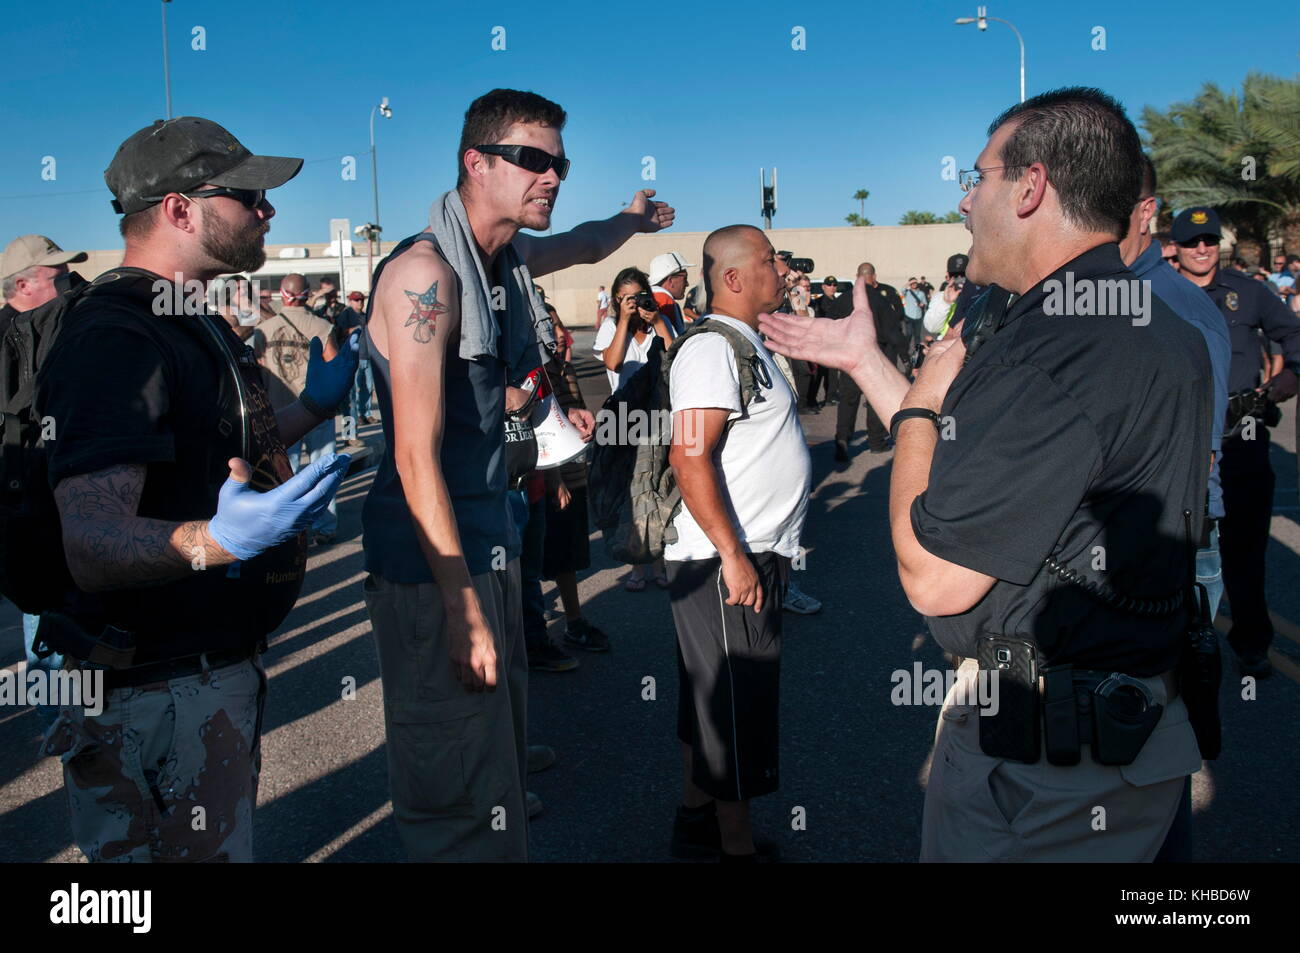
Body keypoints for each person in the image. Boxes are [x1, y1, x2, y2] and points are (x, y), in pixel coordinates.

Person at [761, 87, 1212, 862]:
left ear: (1032, 186)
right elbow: (987, 476)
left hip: (1050, 773)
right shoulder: (1111, 317)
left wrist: (916, 412)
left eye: (979, 177)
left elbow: (935, 578)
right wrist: (870, 363)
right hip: (1078, 735)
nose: (967, 200)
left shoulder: (1066, 345)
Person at [360, 87, 671, 862]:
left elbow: (586, 242)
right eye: (532, 159)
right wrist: (462, 601)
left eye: (559, 162)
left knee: (493, 751)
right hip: (434, 568)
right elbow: (412, 455)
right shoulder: (425, 276)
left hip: (491, 538)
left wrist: (633, 221)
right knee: (452, 796)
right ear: (476, 162)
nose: (552, 175)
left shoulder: (506, 259)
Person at [36, 116, 355, 862]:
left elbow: (212, 448)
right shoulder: (117, 336)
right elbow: (89, 538)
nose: (268, 211)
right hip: (155, 692)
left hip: (199, 678)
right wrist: (214, 541)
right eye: (249, 195)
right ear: (180, 208)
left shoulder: (187, 321)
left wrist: (312, 408)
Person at [666, 224, 810, 862]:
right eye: (768, 259)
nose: (780, 267)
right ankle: (737, 849)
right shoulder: (711, 349)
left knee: (709, 698)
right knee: (733, 702)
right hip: (724, 562)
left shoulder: (745, 342)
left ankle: (694, 820)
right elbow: (690, 457)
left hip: (745, 556)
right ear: (732, 278)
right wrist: (733, 555)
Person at [1172, 206, 1300, 679]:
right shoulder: (1163, 296)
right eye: (1192, 242)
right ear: (1177, 248)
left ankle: (1251, 644)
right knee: (1182, 553)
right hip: (1183, 442)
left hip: (1241, 440)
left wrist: (1293, 374)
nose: (1202, 249)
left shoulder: (1248, 293)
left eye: (1209, 240)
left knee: (1246, 553)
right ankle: (1184, 649)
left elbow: (1293, 332)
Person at [0, 234, 88, 731]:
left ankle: (69, 715)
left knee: (57, 604)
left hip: (60, 493)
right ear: (25, 283)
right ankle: (60, 721)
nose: (73, 284)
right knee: (41, 608)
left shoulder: (68, 325)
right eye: (61, 277)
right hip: (21, 503)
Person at [593, 266, 676, 591]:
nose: (633, 302)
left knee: (658, 486)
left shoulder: (660, 323)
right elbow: (613, 363)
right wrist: (625, 321)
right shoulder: (612, 327)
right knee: (629, 491)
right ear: (616, 299)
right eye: (626, 298)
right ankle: (637, 566)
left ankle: (658, 561)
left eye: (638, 296)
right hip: (623, 417)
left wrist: (656, 322)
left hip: (658, 413)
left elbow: (675, 356)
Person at [254, 273, 342, 546]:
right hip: (316, 410)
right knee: (323, 471)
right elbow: (336, 368)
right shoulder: (322, 325)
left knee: (283, 474)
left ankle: (285, 530)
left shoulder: (263, 330)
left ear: (282, 293)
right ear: (308, 293)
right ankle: (325, 526)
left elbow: (256, 372)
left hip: (278, 413)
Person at [834, 262, 908, 461]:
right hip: (873, 356)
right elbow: (893, 331)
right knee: (874, 401)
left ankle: (842, 439)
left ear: (856, 276)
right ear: (872, 276)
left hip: (846, 356)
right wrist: (905, 356)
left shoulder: (842, 299)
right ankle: (876, 441)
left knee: (847, 402)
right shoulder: (879, 299)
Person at [0, 234, 87, 338]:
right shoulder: (5, 335)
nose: (70, 283)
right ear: (24, 286)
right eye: (59, 278)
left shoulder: (59, 322)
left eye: (68, 275)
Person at [341, 290, 375, 429]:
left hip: (367, 355)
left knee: (368, 387)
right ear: (350, 301)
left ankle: (365, 414)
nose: (359, 302)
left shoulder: (365, 315)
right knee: (353, 392)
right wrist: (357, 328)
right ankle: (352, 427)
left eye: (361, 299)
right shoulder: (346, 313)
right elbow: (342, 331)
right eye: (356, 300)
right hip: (353, 357)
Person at [648, 251, 692, 334]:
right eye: (685, 279)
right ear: (671, 280)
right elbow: (672, 343)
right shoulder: (664, 299)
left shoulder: (649, 295)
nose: (687, 284)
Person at [901, 277, 927, 350]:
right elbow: (902, 290)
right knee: (909, 334)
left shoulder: (921, 293)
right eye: (912, 283)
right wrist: (909, 283)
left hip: (918, 317)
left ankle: (917, 351)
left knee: (917, 336)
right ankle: (905, 349)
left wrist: (923, 304)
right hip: (909, 316)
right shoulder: (907, 292)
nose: (914, 284)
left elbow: (925, 303)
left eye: (915, 283)